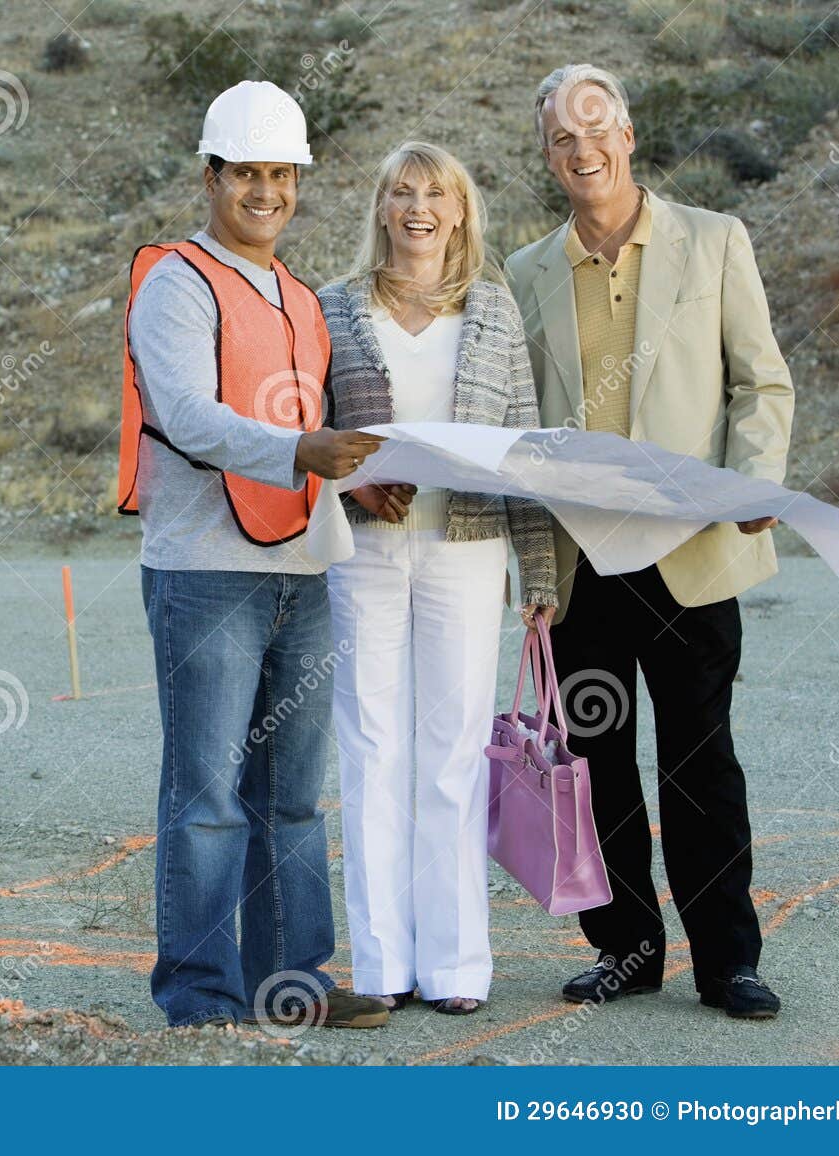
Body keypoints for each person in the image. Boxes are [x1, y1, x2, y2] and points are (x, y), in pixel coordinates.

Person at [503, 63, 794, 1019]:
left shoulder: (714, 242)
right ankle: (626, 950)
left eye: (597, 127)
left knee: (701, 760)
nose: (582, 148)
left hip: (692, 553)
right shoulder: (524, 272)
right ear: (549, 157)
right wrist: (534, 568)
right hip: (585, 566)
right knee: (598, 765)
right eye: (561, 137)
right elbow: (521, 428)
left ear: (627, 135)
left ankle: (728, 963)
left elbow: (762, 384)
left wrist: (753, 475)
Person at [119, 81, 389, 1030]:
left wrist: (353, 478)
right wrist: (301, 452)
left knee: (292, 802)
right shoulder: (175, 286)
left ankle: (293, 987)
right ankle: (200, 1000)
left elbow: (304, 424)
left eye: (281, 173)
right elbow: (190, 417)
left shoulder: (303, 300)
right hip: (205, 574)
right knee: (207, 800)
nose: (265, 190)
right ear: (212, 175)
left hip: (302, 569)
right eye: (247, 172)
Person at [319, 141, 557, 1016]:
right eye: (402, 192)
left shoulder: (493, 313)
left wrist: (537, 570)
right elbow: (308, 434)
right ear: (382, 208)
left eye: (437, 194)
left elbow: (522, 450)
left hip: (468, 551)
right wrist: (351, 485)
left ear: (460, 213)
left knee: (455, 753)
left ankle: (457, 969)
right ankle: (381, 967)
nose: (419, 207)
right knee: (372, 749)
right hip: (365, 553)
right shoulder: (332, 308)